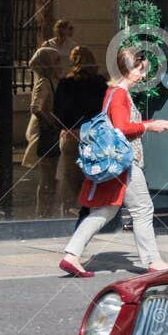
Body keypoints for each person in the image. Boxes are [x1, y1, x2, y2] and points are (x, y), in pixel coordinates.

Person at [58, 47, 168, 278]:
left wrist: (150, 123)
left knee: (106, 210)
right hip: (125, 162)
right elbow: (121, 128)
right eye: (140, 71)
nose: (142, 76)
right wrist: (149, 126)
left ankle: (71, 255)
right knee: (142, 208)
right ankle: (153, 261)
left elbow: (118, 125)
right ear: (128, 68)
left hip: (113, 161)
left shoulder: (111, 92)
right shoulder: (120, 94)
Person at [53, 46, 109, 222]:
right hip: (94, 135)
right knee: (93, 175)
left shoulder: (66, 83)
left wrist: (68, 128)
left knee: (71, 177)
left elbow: (58, 112)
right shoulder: (101, 83)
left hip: (71, 134)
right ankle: (93, 209)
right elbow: (105, 109)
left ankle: (74, 210)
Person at [22, 45, 64, 217]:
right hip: (47, 135)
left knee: (53, 178)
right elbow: (35, 107)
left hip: (53, 134)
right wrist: (51, 122)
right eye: (56, 61)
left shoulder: (52, 81)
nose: (60, 64)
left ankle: (47, 213)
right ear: (48, 64)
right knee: (48, 178)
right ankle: (43, 214)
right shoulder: (45, 82)